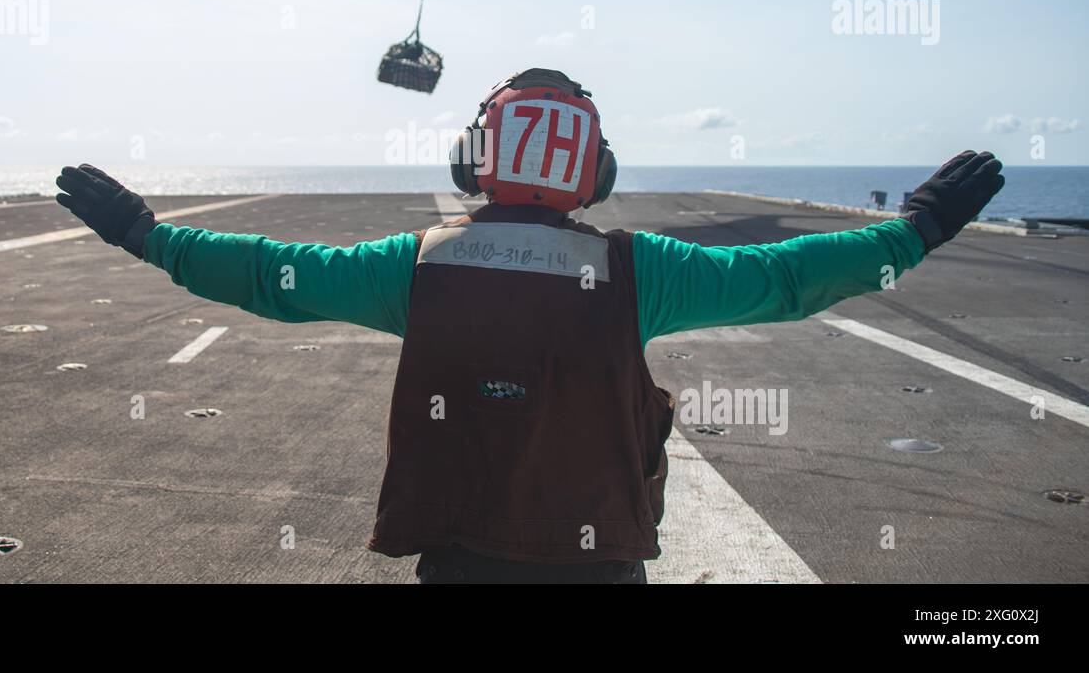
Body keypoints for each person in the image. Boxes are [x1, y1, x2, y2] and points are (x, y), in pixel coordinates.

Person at [56, 68, 1004, 584]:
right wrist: (913, 231)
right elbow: (786, 279)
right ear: (595, 175)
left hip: (459, 557)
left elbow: (273, 276)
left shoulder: (417, 266)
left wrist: (149, 235)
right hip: (598, 563)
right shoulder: (640, 271)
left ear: (476, 163)